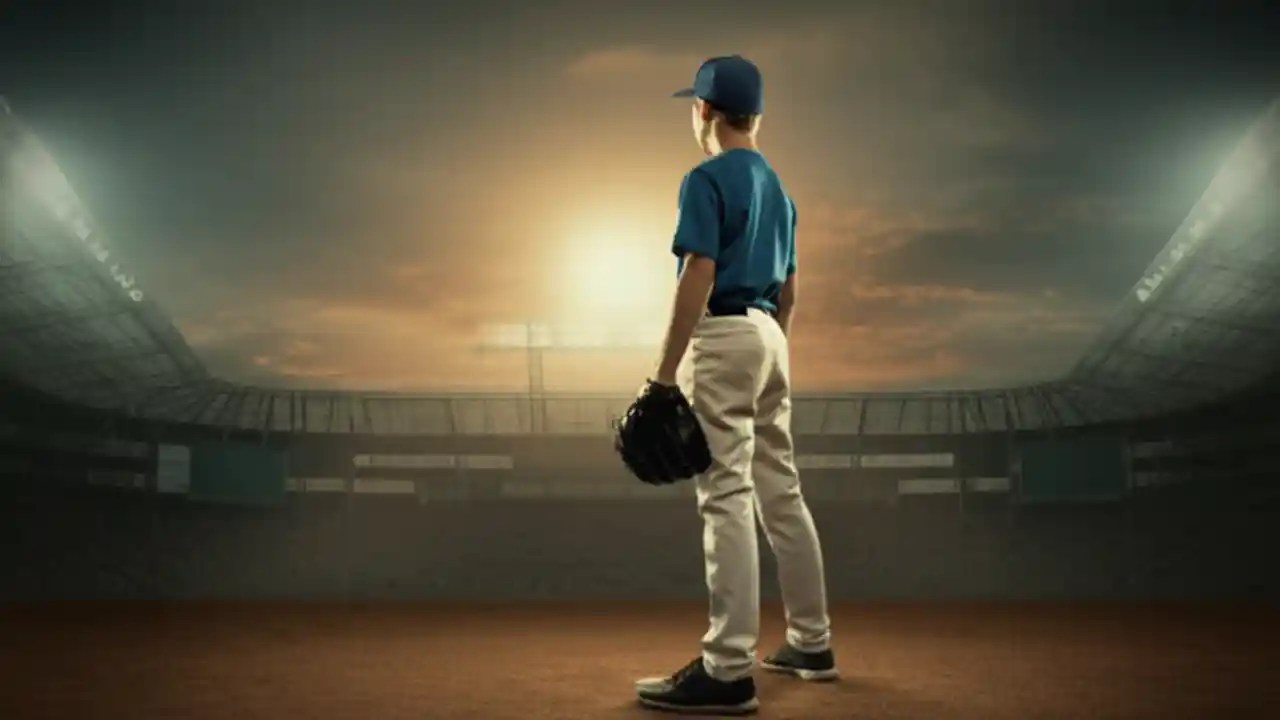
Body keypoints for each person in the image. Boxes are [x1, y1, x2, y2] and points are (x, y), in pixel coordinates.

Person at [634, 55, 837, 716]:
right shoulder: (782, 191)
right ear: (759, 116)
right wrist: (771, 352)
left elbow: (699, 268)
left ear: (704, 112)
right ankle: (811, 642)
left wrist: (663, 377)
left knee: (726, 495)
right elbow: (792, 292)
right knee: (782, 492)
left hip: (724, 335)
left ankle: (726, 670)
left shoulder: (706, 177)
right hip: (773, 338)